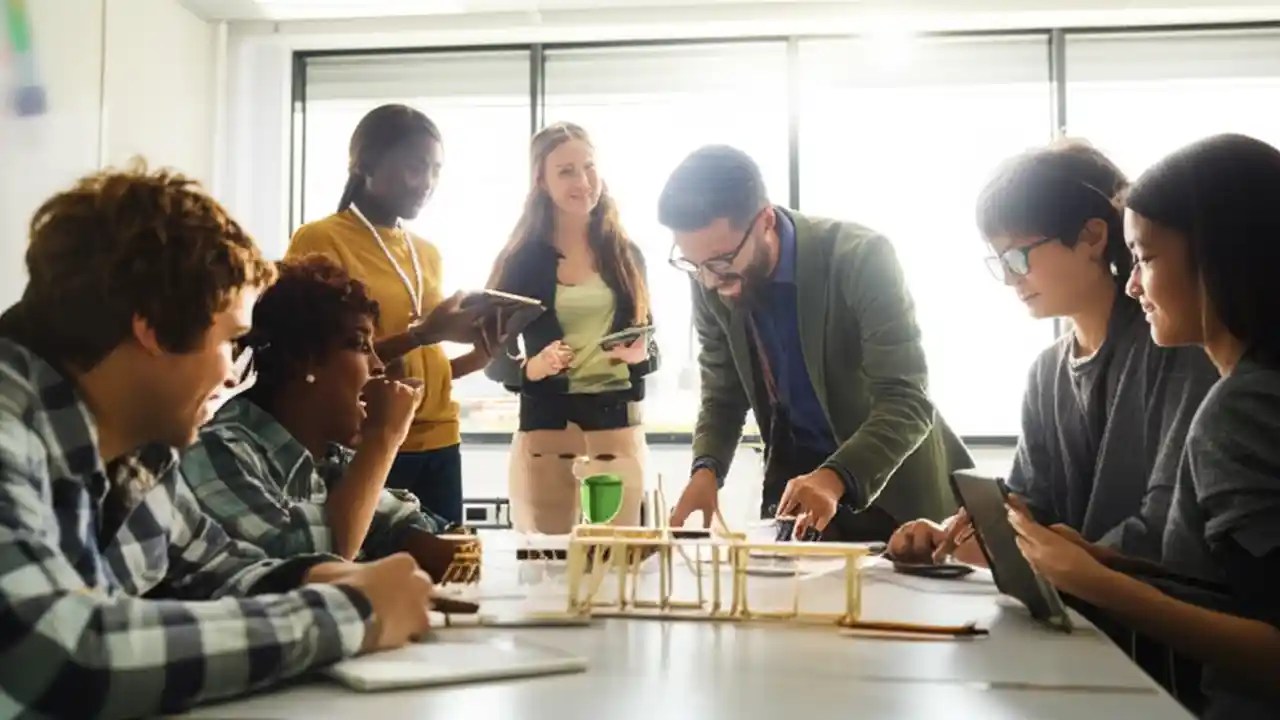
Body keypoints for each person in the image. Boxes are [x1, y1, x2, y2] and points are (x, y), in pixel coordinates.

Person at [0, 164, 433, 718]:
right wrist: (353, 613)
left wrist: (331, 577)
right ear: (154, 329)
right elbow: (63, 655)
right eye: (231, 340)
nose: (234, 373)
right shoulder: (10, 430)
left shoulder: (136, 448)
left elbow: (217, 568)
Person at [1010, 134, 1280, 718]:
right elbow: (1225, 586)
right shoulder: (1248, 392)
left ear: (1219, 258)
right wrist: (1104, 561)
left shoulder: (1242, 407)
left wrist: (1096, 583)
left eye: (1146, 259)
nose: (1133, 284)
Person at [889, 140, 1217, 565]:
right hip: (1071, 597)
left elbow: (1165, 529)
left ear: (1092, 236)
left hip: (1142, 601)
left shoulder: (1176, 347)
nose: (1010, 279)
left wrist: (1066, 562)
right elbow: (1031, 509)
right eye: (999, 262)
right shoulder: (1046, 373)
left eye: (1017, 257)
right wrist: (957, 536)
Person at [661, 145, 972, 542]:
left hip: (890, 490)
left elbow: (908, 400)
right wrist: (706, 470)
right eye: (693, 265)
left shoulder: (860, 257)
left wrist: (834, 477)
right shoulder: (711, 277)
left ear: (766, 221)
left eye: (721, 262)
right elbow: (723, 393)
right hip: (799, 497)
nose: (708, 281)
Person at [181, 255, 471, 580]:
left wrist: (475, 558)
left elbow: (409, 530)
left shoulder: (327, 461)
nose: (379, 366)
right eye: (361, 345)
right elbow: (309, 565)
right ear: (304, 359)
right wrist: (383, 438)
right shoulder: (219, 450)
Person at [288, 103, 491, 526]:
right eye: (416, 168)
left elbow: (424, 370)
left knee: (449, 561)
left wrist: (483, 353)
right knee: (368, 561)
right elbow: (317, 362)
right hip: (368, 438)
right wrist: (420, 335)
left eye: (436, 170)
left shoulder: (426, 252)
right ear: (365, 164)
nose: (428, 183)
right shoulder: (320, 239)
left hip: (441, 437)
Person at [485, 122, 656, 533]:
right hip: (549, 430)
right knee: (548, 561)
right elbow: (489, 354)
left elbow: (651, 345)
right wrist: (532, 368)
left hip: (616, 427)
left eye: (589, 167)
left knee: (617, 561)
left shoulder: (626, 255)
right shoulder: (521, 260)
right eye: (566, 171)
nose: (583, 181)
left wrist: (640, 354)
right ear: (541, 181)